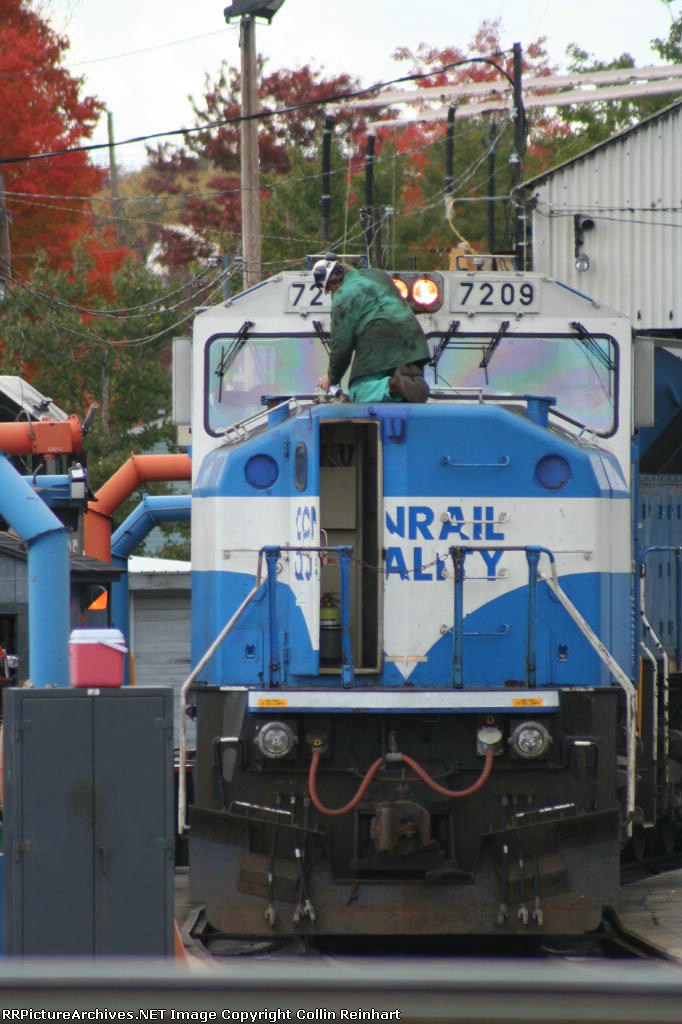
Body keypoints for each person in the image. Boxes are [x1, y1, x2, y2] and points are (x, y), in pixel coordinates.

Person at [313, 259, 431, 403]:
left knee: (359, 391)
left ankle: (395, 386)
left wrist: (331, 377)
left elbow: (341, 346)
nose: (332, 293)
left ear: (333, 283)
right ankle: (405, 384)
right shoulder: (377, 274)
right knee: (406, 396)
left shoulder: (342, 296)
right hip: (414, 341)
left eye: (330, 290)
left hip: (379, 337)